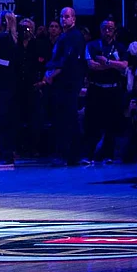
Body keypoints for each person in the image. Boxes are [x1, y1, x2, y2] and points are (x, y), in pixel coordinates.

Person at [45, 8, 86, 165]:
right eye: (62, 16)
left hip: (69, 83)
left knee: (68, 118)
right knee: (63, 118)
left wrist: (51, 75)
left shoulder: (75, 37)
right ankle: (68, 154)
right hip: (61, 84)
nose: (64, 19)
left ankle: (70, 155)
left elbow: (66, 61)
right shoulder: (64, 36)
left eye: (67, 16)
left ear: (73, 19)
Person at [85, 20, 129, 163]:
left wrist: (107, 62)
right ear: (100, 30)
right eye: (105, 28)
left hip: (113, 89)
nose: (107, 31)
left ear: (114, 30)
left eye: (110, 28)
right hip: (96, 88)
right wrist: (111, 66)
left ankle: (107, 155)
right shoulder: (92, 45)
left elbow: (124, 66)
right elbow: (92, 65)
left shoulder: (120, 47)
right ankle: (88, 155)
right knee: (92, 123)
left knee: (112, 124)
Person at [0, 12, 20, 165]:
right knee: (5, 120)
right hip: (7, 86)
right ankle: (7, 154)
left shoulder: (3, 37)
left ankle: (6, 156)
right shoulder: (11, 38)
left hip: (2, 87)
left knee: (2, 121)